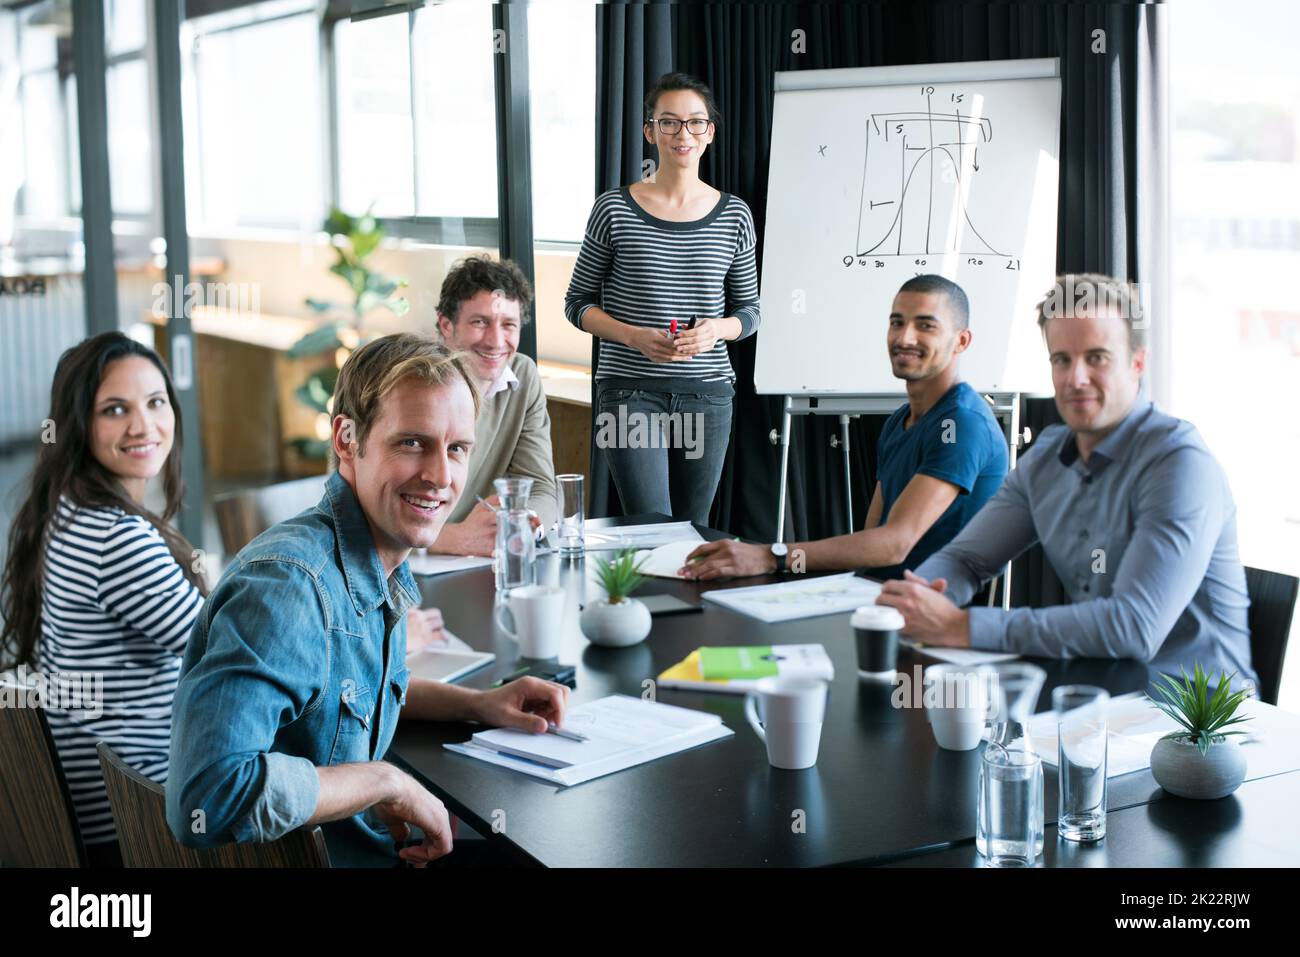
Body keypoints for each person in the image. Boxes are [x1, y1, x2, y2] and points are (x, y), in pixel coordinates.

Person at [166, 334, 569, 867]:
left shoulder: (374, 562)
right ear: (347, 440)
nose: (441, 476)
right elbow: (207, 796)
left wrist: (478, 704)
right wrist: (383, 783)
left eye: (456, 449)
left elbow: (347, 692)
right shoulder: (288, 587)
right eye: (411, 443)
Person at [876, 274, 1257, 689]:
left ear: (1138, 363)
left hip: (1197, 721)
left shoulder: (1180, 463)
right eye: (1062, 359)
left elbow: (1133, 626)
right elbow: (967, 560)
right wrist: (922, 600)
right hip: (1101, 695)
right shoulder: (1048, 456)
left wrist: (961, 626)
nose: (1075, 378)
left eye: (1097, 358)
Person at [0, 332, 206, 868]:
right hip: (139, 821)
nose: (144, 426)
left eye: (155, 403)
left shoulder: (68, 507)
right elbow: (228, 648)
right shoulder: (115, 537)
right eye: (115, 410)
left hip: (97, 808)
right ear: (79, 425)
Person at [682, 276, 1008, 581]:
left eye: (926, 326)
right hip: (871, 596)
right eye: (897, 322)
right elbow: (872, 544)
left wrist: (773, 557)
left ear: (961, 341)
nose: (905, 337)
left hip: (932, 616)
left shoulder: (961, 423)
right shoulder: (901, 420)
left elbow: (894, 544)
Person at [564, 71, 760, 525]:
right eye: (668, 122)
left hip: (708, 396)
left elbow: (750, 311)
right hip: (630, 393)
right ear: (649, 131)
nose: (682, 133)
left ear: (709, 132)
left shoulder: (734, 214)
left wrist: (717, 330)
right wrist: (633, 336)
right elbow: (577, 302)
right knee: (649, 528)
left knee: (692, 536)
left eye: (695, 122)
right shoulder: (613, 207)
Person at [427, 255, 557, 558]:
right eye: (480, 322)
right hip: (401, 570)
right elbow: (369, 517)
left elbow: (540, 489)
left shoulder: (522, 375)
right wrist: (454, 539)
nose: (496, 341)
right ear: (446, 325)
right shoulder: (415, 385)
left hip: (480, 561)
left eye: (508, 324)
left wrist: (523, 525)